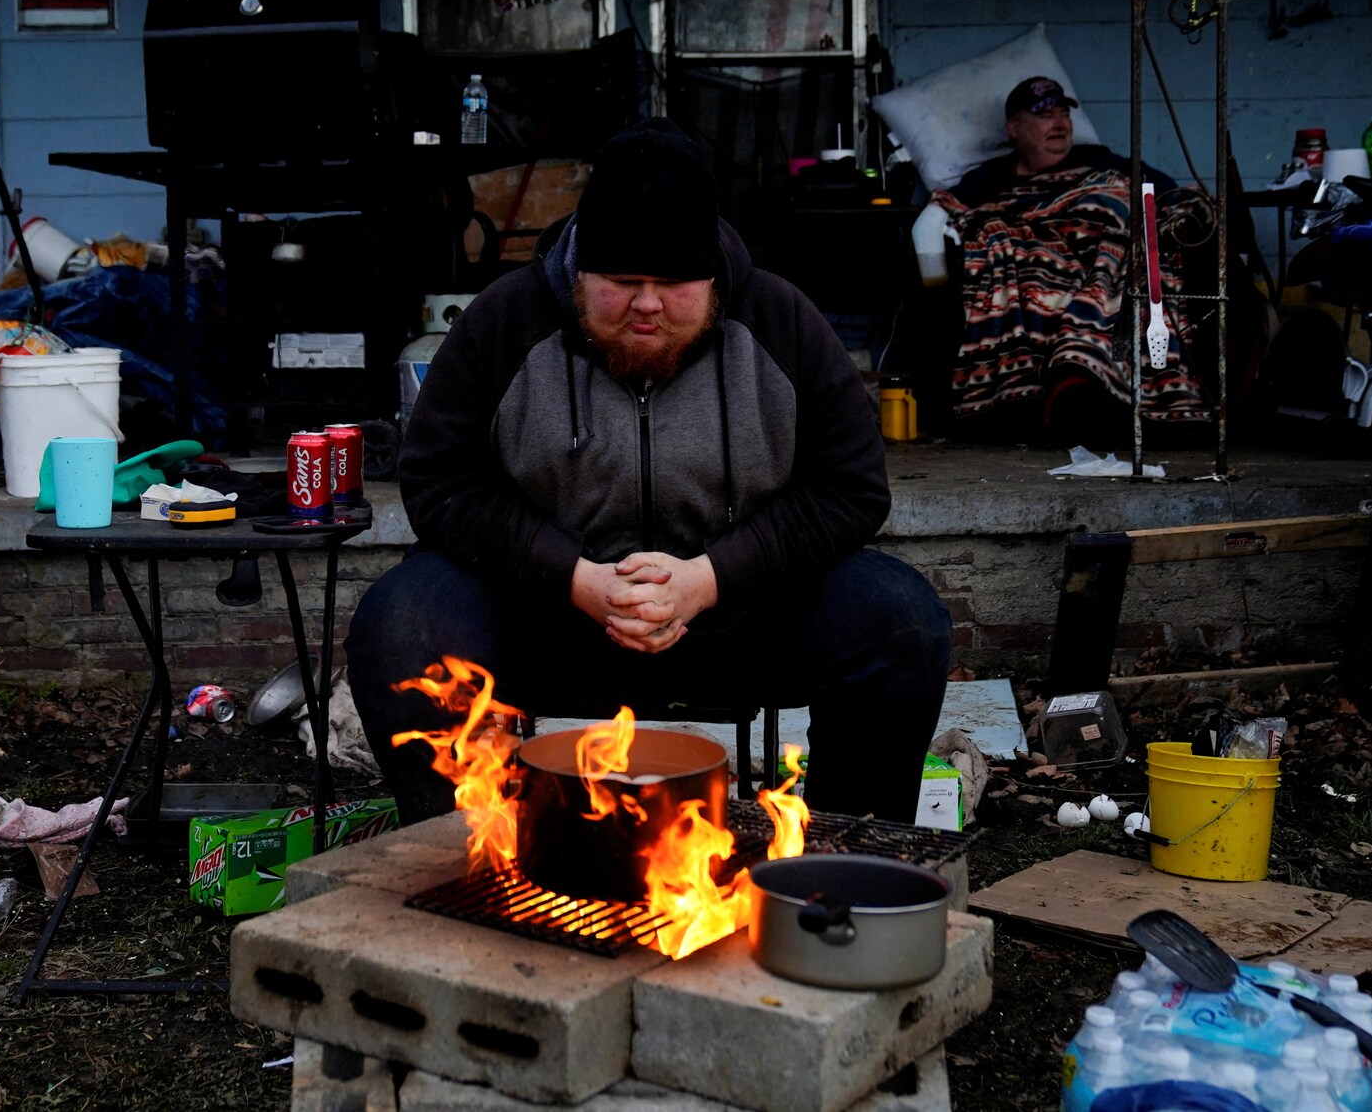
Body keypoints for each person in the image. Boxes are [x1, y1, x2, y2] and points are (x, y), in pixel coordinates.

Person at [346, 119, 950, 825]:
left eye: (672, 283)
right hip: (546, 615)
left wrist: (710, 578)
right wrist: (575, 578)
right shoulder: (504, 320)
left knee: (900, 619)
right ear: (579, 271)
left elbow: (852, 488)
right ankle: (467, 856)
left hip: (739, 618)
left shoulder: (781, 320)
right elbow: (439, 482)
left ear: (713, 278)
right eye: (622, 281)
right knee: (404, 620)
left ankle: (847, 862)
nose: (647, 305)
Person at [931, 76, 1208, 445]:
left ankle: (1086, 381)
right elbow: (950, 211)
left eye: (1064, 114)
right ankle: (1059, 386)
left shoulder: (1099, 162)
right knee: (1013, 251)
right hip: (1035, 262)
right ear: (1013, 128)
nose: (1060, 124)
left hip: (1104, 255)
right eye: (1045, 115)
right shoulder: (990, 178)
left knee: (1125, 268)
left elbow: (1163, 193)